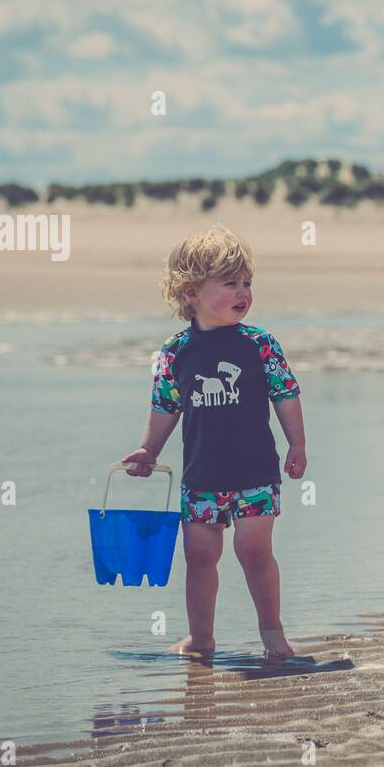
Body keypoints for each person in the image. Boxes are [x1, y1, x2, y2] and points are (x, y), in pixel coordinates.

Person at [122, 225, 306, 662]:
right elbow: (166, 405)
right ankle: (201, 637)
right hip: (201, 477)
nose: (244, 292)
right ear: (191, 293)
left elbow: (286, 393)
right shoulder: (175, 352)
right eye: (230, 283)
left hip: (256, 472)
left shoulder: (259, 345)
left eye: (247, 283)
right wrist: (149, 450)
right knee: (200, 556)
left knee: (253, 549)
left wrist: (296, 443)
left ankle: (272, 633)